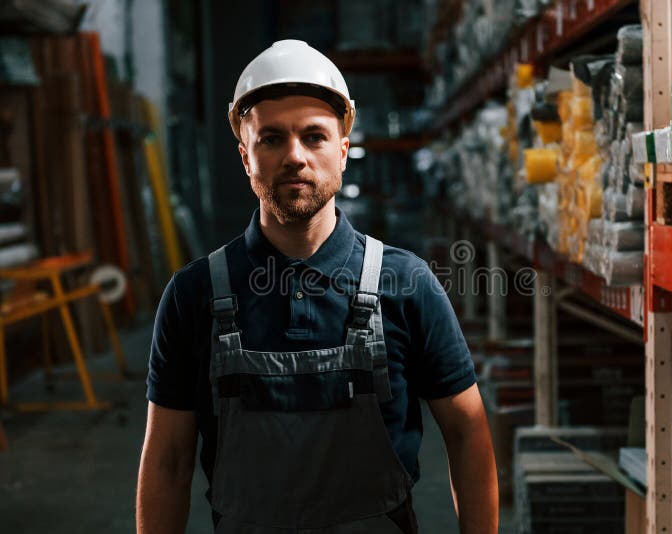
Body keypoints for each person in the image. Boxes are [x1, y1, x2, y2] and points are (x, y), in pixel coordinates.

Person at [136, 39, 498, 534]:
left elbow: (467, 433)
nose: (295, 156)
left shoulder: (406, 283)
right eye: (271, 139)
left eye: (314, 136)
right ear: (245, 157)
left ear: (343, 152)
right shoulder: (192, 296)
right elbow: (168, 461)